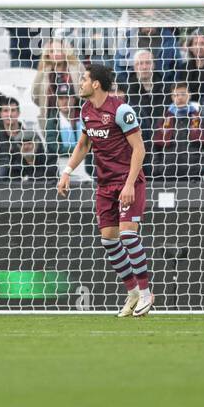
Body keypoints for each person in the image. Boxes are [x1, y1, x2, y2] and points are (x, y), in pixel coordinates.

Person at [58, 63, 154, 316]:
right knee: (109, 241)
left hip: (127, 182)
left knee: (128, 236)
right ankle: (132, 292)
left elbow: (139, 149)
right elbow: (83, 144)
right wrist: (67, 172)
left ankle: (146, 293)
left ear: (96, 84)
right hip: (104, 184)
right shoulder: (86, 110)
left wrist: (130, 184)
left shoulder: (121, 110)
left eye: (84, 79)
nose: (80, 83)